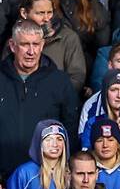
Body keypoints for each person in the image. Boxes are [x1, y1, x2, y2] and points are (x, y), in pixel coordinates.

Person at [0, 20, 79, 177]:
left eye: (36, 45)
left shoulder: (59, 81)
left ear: (42, 45)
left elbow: (70, 129)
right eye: (24, 44)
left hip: (46, 177)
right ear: (12, 45)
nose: (31, 52)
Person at [20, 0, 86, 93]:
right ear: (24, 13)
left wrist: (52, 96)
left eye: (49, 12)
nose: (46, 18)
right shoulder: (15, 39)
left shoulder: (68, 38)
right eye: (40, 13)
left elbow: (77, 78)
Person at [6, 120, 71, 189]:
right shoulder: (24, 173)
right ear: (39, 143)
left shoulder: (71, 172)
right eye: (48, 139)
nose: (55, 144)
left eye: (59, 139)